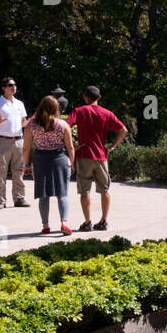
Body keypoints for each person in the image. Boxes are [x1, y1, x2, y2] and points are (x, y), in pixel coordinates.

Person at [67, 86, 127, 231]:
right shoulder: (107, 113)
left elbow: (66, 126)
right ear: (99, 97)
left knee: (84, 191)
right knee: (104, 190)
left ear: (85, 96)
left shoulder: (79, 111)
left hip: (84, 155)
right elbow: (123, 130)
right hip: (101, 156)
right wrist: (112, 147)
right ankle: (103, 221)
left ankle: (87, 223)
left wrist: (72, 146)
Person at [21, 95, 76, 236]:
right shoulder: (63, 125)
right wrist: (72, 162)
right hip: (60, 160)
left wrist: (26, 164)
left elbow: (26, 148)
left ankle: (45, 225)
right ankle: (64, 223)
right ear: (56, 108)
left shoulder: (31, 125)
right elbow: (70, 147)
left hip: (40, 160)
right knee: (62, 193)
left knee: (43, 195)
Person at [0, 76, 29, 209]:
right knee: (1, 172)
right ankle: (1, 201)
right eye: (11, 85)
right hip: (2, 142)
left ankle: (19, 199)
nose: (13, 87)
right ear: (4, 88)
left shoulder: (19, 104)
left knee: (19, 171)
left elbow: (24, 123)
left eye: (15, 85)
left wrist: (33, 121)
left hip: (18, 141)